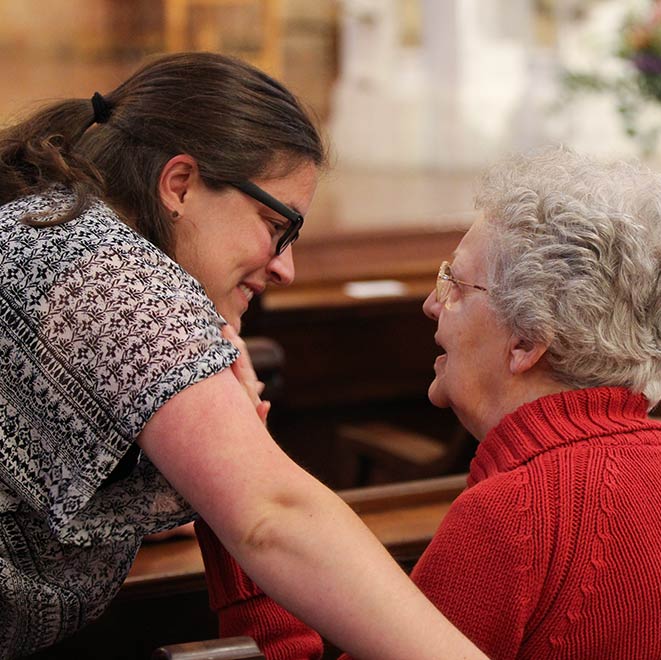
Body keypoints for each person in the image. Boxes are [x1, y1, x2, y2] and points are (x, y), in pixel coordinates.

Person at [195, 147, 661, 659]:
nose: (429, 304)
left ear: (526, 342)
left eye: (456, 285)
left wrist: (234, 478)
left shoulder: (517, 518)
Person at [0, 52, 487, 660]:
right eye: (274, 224)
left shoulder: (54, 229)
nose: (286, 267)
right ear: (179, 185)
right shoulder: (108, 275)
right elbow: (275, 517)